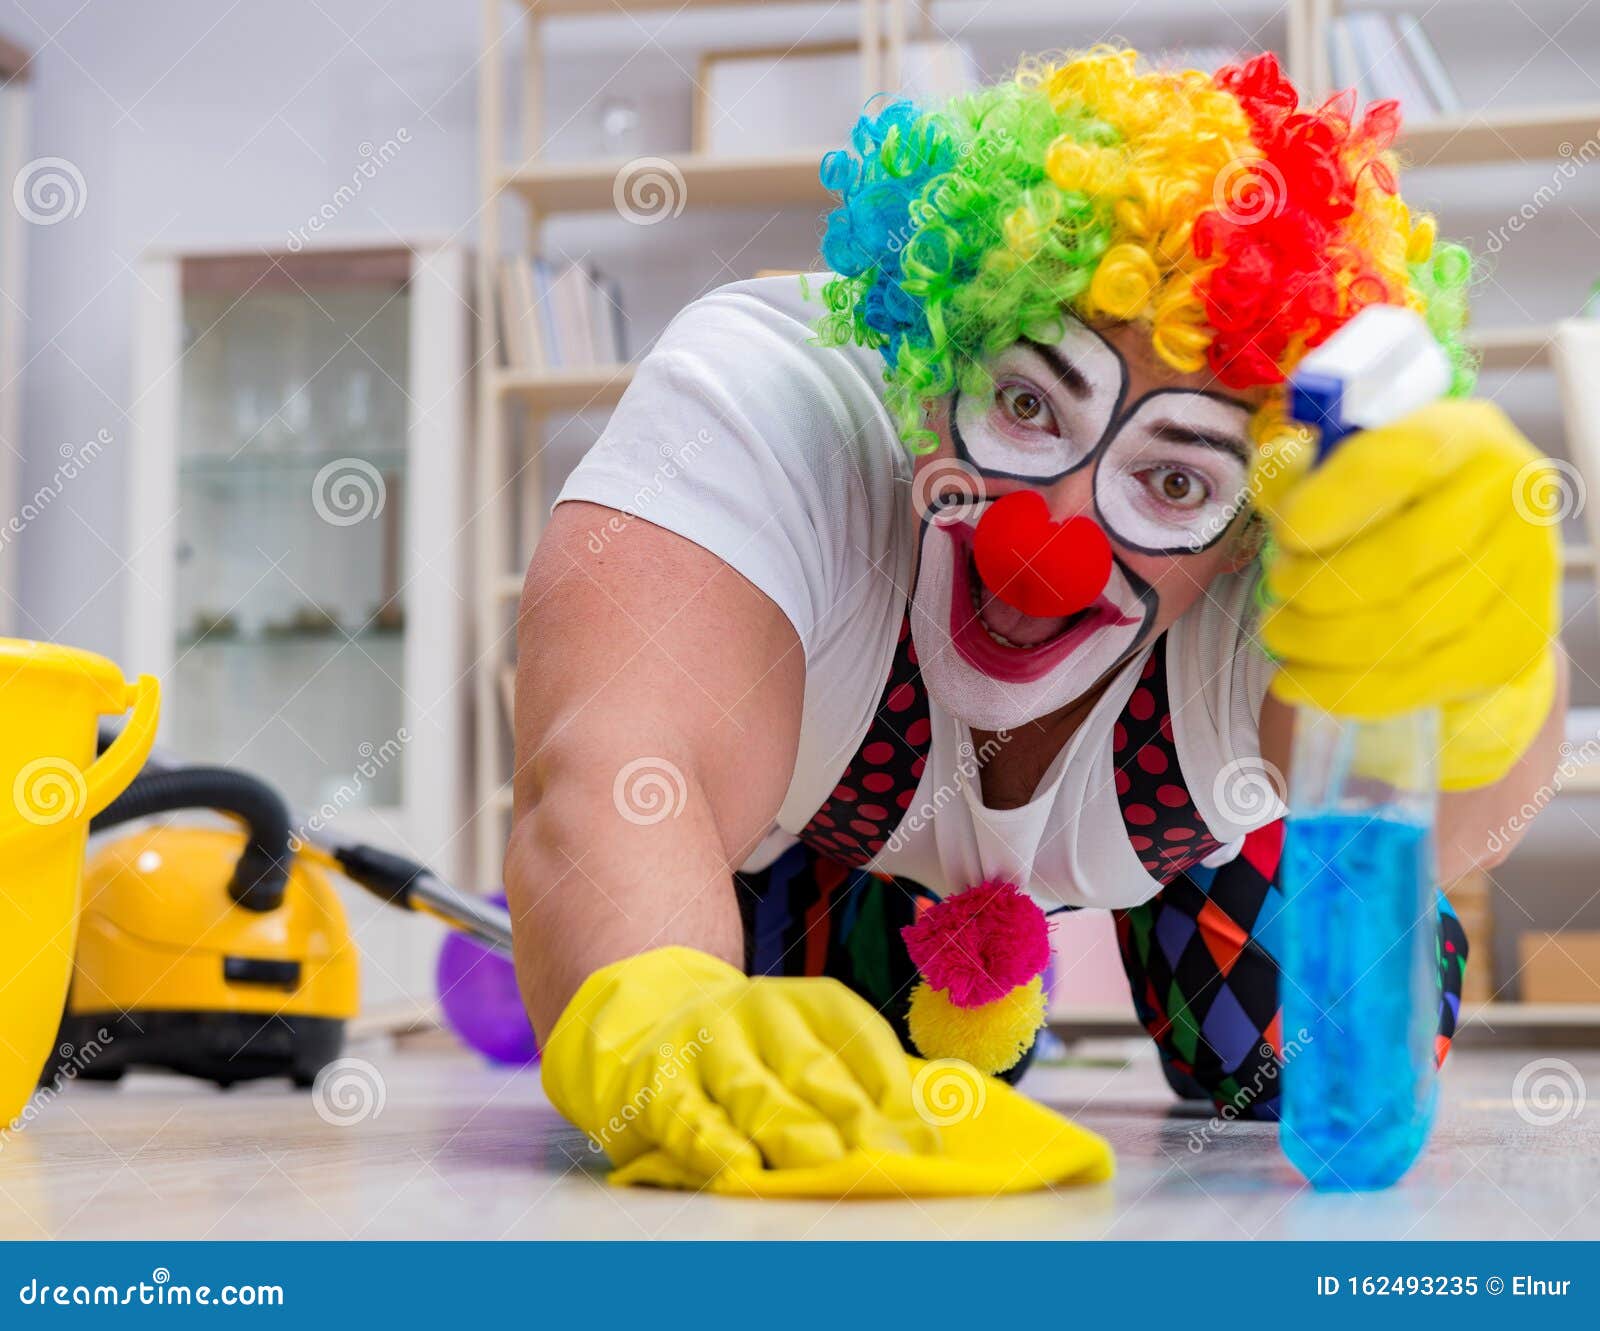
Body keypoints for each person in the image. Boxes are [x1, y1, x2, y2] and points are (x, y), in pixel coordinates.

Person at [506, 46, 1567, 1183]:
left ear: (1251, 523)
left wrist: (1481, 680)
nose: (1044, 549)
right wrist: (664, 1005)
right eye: (1023, 402)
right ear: (931, 350)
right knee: (838, 1073)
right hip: (847, 856)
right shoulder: (778, 399)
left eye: (1175, 481)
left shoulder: (1288, 545)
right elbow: (616, 769)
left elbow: (1438, 818)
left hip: (1186, 857)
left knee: (1282, 1043)